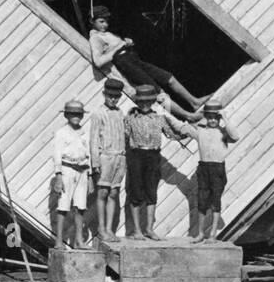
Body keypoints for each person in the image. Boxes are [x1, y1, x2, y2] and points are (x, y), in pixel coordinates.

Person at [87, 5, 205, 112]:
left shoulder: (106, 34)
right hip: (127, 65)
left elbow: (118, 46)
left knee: (169, 78)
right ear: (92, 21)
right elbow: (98, 62)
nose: (105, 25)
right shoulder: (95, 38)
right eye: (101, 21)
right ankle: (188, 116)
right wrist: (118, 46)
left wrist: (127, 43)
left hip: (134, 60)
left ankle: (194, 102)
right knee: (158, 92)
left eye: (106, 21)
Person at [123, 82, 191, 240]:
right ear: (137, 101)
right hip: (136, 155)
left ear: (152, 101)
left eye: (148, 101)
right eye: (141, 101)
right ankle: (137, 230)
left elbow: (172, 134)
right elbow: (123, 137)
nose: (144, 104)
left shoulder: (159, 118)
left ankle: (149, 229)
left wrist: (188, 132)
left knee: (151, 192)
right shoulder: (130, 118)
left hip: (153, 156)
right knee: (135, 191)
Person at [173, 102, 240, 241]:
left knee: (216, 201)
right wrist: (165, 115)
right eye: (209, 117)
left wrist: (225, 118)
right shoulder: (201, 132)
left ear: (219, 118)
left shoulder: (223, 133)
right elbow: (183, 128)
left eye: (216, 117)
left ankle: (213, 234)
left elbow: (235, 136)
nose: (213, 120)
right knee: (202, 201)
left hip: (218, 170)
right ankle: (201, 233)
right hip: (204, 168)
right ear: (205, 118)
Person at [86, 77, 128, 240]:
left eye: (116, 96)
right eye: (110, 95)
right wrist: (95, 163)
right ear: (104, 94)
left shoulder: (120, 113)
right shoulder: (98, 113)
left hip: (119, 157)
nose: (113, 99)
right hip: (105, 158)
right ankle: (101, 229)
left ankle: (110, 229)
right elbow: (94, 139)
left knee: (114, 193)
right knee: (102, 193)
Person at [52, 100, 92, 249]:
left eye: (79, 114)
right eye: (72, 114)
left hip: (82, 170)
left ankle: (79, 241)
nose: (76, 117)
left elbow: (89, 155)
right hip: (67, 169)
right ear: (67, 115)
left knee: (80, 206)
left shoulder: (85, 132)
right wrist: (58, 176)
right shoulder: (61, 133)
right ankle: (58, 241)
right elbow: (57, 155)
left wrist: (90, 176)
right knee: (63, 205)